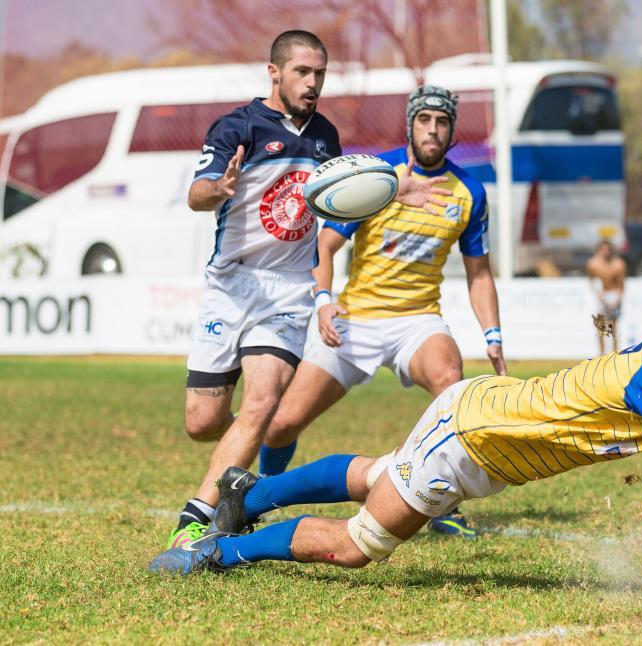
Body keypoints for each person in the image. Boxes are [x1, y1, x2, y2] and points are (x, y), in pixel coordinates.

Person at [151, 307, 642, 609]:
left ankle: (253, 495)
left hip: (486, 426)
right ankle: (220, 553)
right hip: (471, 441)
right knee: (360, 543)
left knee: (376, 473)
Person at [167, 31, 447, 550]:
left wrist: (394, 188)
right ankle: (243, 464)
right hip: (231, 286)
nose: (313, 82)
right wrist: (221, 188)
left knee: (262, 402)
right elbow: (195, 195)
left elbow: (341, 200)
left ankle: (198, 516)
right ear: (274, 73)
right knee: (202, 421)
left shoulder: (325, 137)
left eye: (319, 73)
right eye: (302, 72)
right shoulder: (238, 127)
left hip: (289, 290)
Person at [255, 85, 506, 540]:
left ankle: (439, 502)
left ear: (452, 132)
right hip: (355, 321)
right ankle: (261, 494)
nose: (433, 129)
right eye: (425, 119)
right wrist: (324, 302)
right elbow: (324, 247)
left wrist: (492, 335)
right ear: (411, 124)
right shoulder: (374, 176)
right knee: (283, 423)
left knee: (450, 381)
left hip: (417, 321)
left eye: (442, 122)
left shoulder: (469, 191)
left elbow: (480, 274)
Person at [586, 239, 626, 353]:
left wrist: (617, 298)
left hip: (613, 294)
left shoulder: (618, 264)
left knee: (613, 328)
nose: (606, 252)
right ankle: (601, 355)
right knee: (600, 328)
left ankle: (614, 354)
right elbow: (591, 280)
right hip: (601, 295)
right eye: (603, 249)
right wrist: (597, 293)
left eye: (608, 249)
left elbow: (622, 283)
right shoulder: (593, 264)